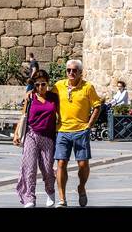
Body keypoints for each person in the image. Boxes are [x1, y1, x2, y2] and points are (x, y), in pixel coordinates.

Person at [54, 59, 102, 207]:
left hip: (81, 130)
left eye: (74, 70)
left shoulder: (88, 87)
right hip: (62, 131)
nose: (71, 73)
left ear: (80, 72)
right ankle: (62, 199)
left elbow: (97, 106)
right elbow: (46, 97)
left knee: (83, 165)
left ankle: (81, 187)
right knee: (61, 163)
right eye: (68, 70)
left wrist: (89, 126)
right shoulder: (58, 86)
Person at [14, 70, 59, 207]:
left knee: (47, 169)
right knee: (29, 167)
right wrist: (16, 133)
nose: (40, 87)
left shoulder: (54, 97)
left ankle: (50, 192)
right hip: (31, 135)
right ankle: (29, 198)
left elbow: (61, 115)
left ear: (47, 83)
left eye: (43, 84)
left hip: (48, 137)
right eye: (37, 84)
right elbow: (23, 116)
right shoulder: (30, 97)